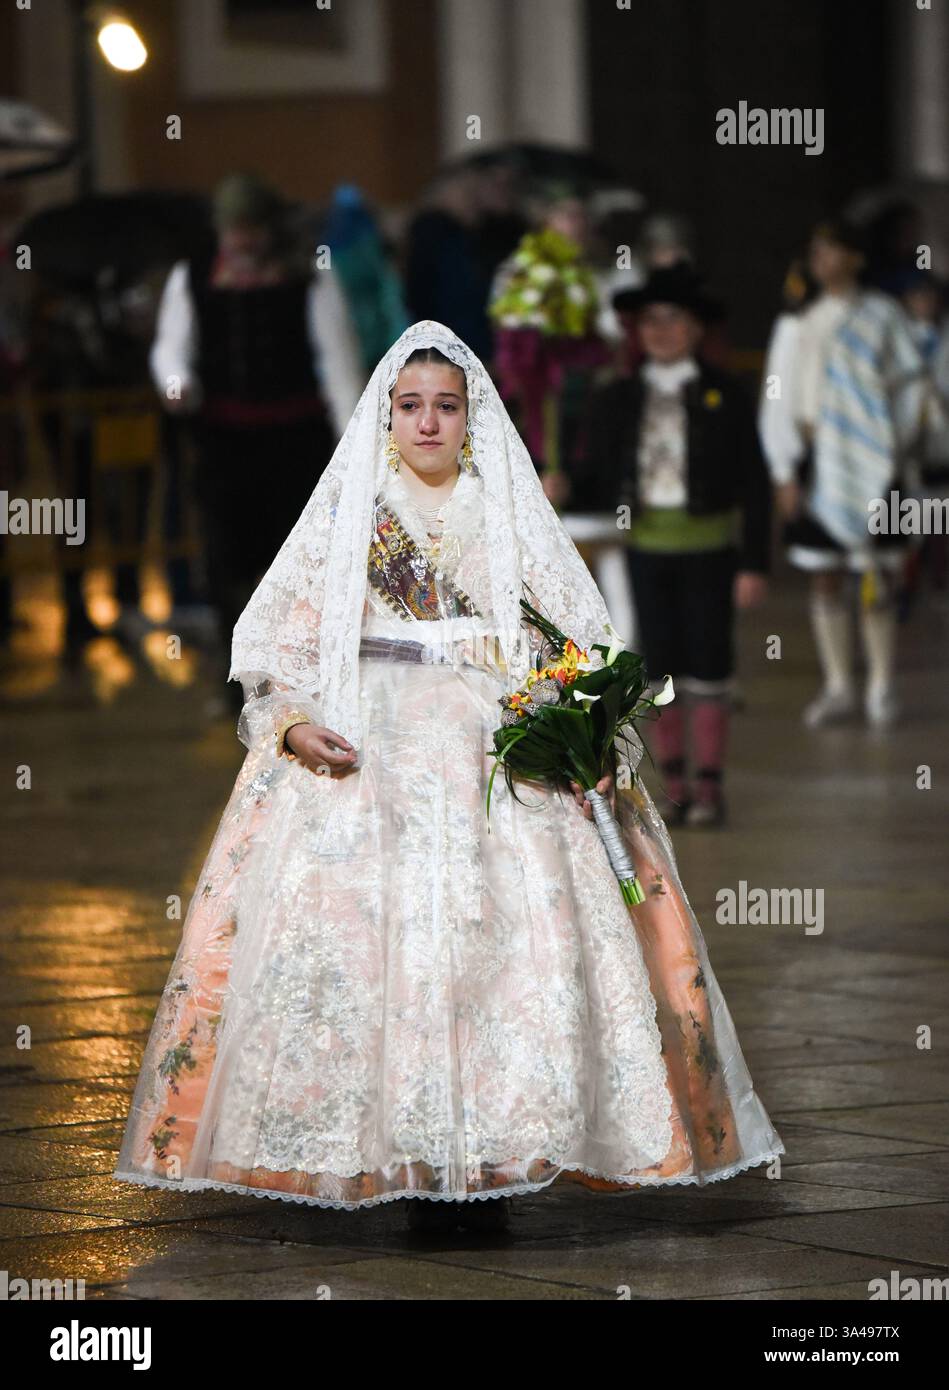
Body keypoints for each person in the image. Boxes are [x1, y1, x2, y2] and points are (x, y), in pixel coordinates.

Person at [113, 321, 784, 1235]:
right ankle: (399, 1150)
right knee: (366, 947)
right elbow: (276, 643)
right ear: (384, 414)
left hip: (495, 743)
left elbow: (581, 641)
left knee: (501, 945)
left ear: (473, 417)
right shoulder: (354, 513)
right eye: (409, 406)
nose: (428, 423)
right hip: (371, 741)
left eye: (446, 406)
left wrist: (578, 733)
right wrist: (294, 721)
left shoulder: (503, 511)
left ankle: (500, 1153)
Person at [150, 172, 364, 709]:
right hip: (224, 446)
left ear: (269, 230)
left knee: (296, 564)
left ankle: (299, 676)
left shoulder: (309, 276)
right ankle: (236, 683)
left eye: (249, 230)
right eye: (232, 231)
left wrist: (353, 446)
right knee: (224, 563)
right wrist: (177, 385)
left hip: (297, 445)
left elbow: (337, 362)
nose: (240, 242)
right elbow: (171, 349)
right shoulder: (194, 277)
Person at [571, 264, 771, 828]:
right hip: (643, 546)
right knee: (657, 662)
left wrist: (754, 562)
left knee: (709, 656)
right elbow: (595, 472)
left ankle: (711, 784)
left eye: (673, 320)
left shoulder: (724, 395)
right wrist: (563, 482)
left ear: (695, 328)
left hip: (710, 548)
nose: (661, 331)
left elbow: (754, 482)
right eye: (650, 321)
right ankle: (675, 781)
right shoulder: (618, 398)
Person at [758, 219, 926, 728]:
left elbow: (910, 386)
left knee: (876, 570)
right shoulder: (801, 321)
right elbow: (778, 395)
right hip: (818, 463)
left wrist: (893, 446)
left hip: (874, 460)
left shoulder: (882, 316)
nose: (822, 260)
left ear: (854, 257)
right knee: (825, 574)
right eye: (816, 250)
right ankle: (838, 685)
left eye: (832, 250)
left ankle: (881, 684)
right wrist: (784, 468)